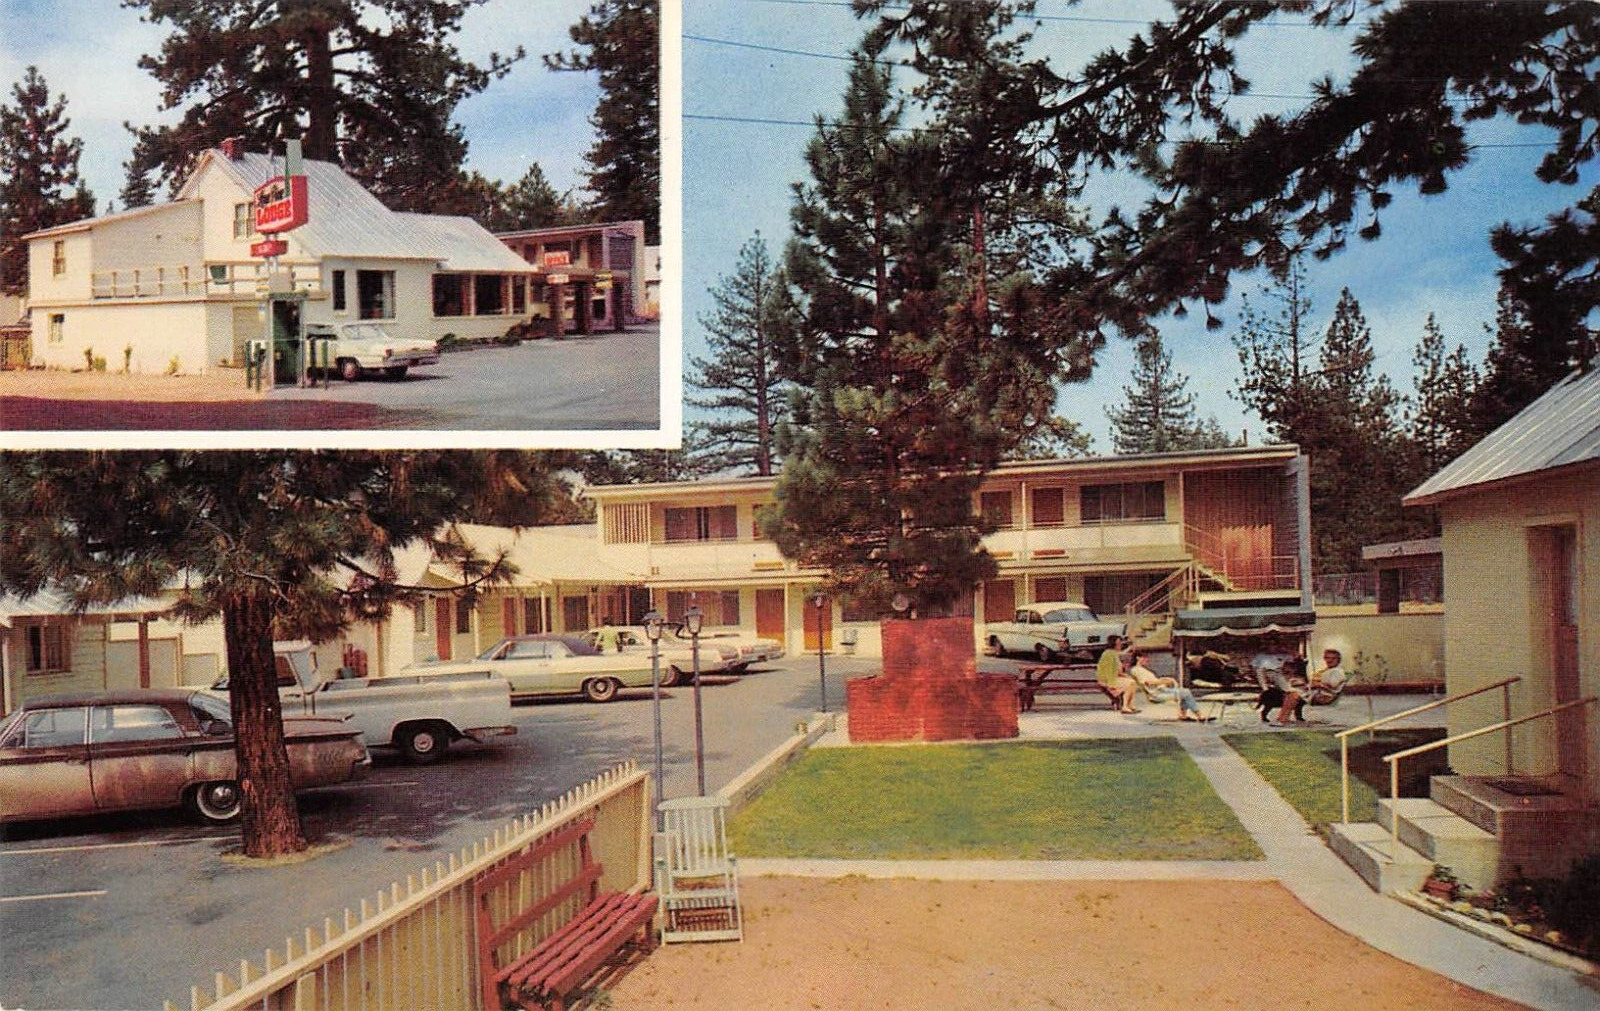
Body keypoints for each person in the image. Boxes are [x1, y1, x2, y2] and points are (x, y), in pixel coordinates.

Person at [1127, 650, 1212, 722]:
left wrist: (1166, 680)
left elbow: (1154, 681)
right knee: (1185, 692)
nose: (1147, 660)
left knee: (1185, 692)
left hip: (1162, 689)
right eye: (1145, 658)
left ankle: (1184, 715)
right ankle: (1199, 716)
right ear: (1138, 658)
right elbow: (1148, 683)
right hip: (1156, 694)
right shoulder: (1136, 670)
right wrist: (1165, 681)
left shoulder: (1143, 669)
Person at [1095, 635, 1139, 713]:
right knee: (1130, 683)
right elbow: (1109, 671)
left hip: (1111, 679)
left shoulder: (1112, 653)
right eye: (1119, 642)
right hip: (1107, 681)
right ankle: (1125, 706)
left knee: (1132, 682)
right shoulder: (1109, 654)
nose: (1120, 644)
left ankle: (1129, 705)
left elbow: (1118, 668)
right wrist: (1110, 685)